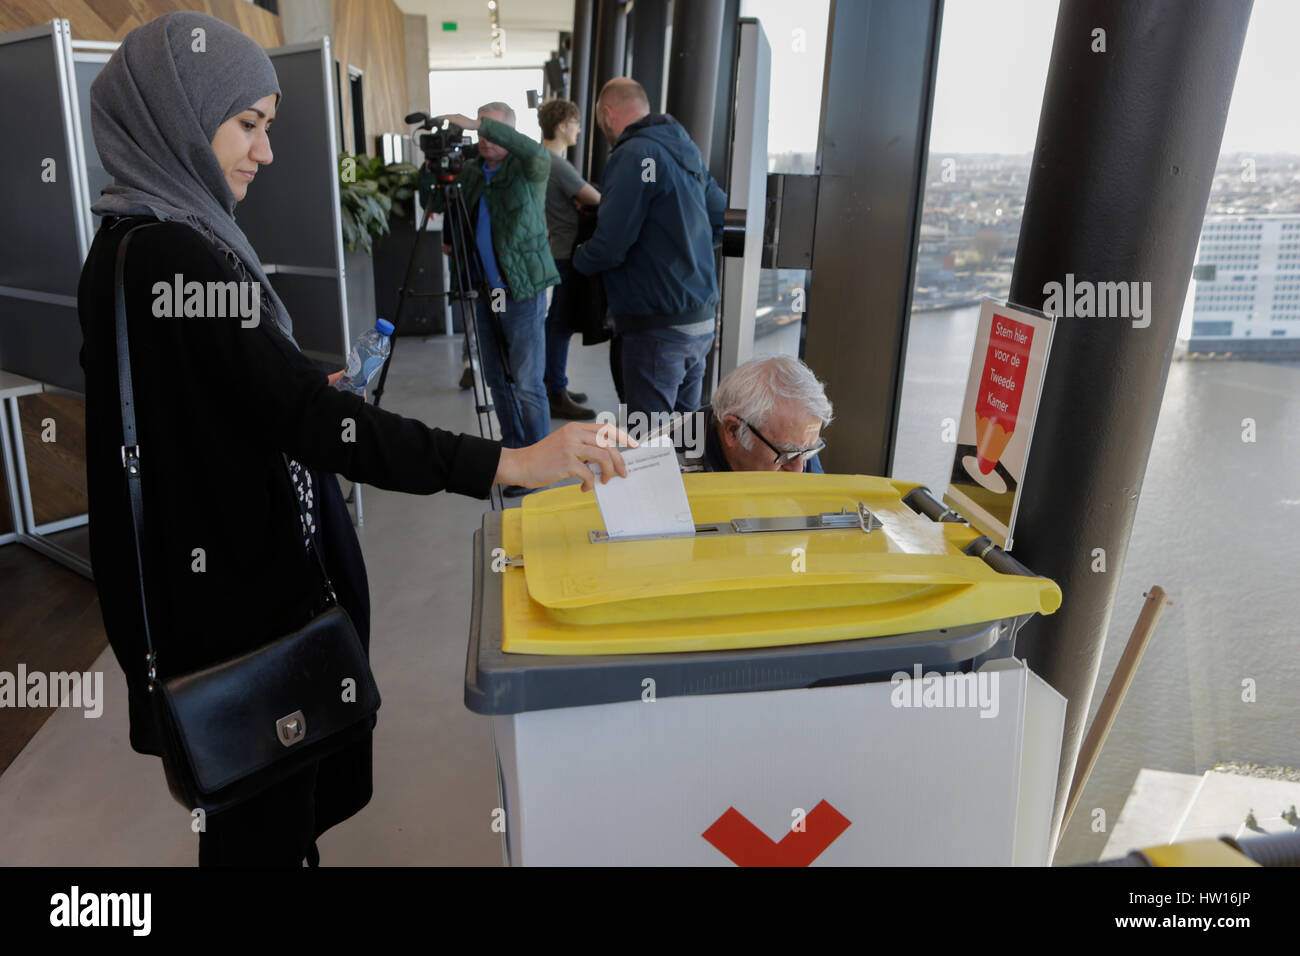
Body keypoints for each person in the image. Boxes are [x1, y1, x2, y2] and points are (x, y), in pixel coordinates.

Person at [77, 12, 630, 867]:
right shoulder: (177, 254)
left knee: (254, 822)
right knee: (264, 828)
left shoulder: (121, 243)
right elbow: (317, 426)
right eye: (248, 126)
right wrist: (511, 459)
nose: (264, 152)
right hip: (238, 608)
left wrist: (281, 391)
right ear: (177, 115)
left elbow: (204, 401)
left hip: (198, 592)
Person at [573, 78, 727, 420]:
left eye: (600, 122)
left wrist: (579, 258)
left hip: (656, 323)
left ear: (608, 113)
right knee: (685, 436)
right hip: (700, 320)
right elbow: (720, 215)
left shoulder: (634, 154)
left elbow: (612, 243)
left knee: (649, 443)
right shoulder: (686, 150)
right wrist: (687, 248)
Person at [431, 104, 557, 461]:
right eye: (481, 133)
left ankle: (541, 459)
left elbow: (533, 149)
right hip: (483, 290)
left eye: (493, 131)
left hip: (520, 290)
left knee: (528, 382)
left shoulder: (530, 168)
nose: (484, 138)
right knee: (497, 380)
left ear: (510, 134)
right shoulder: (472, 171)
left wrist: (474, 123)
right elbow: (453, 206)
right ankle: (515, 449)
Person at [657, 357, 830, 474]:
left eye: (807, 452)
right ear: (733, 431)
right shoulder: (662, 467)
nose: (800, 469)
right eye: (787, 454)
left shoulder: (797, 444)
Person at [538, 98, 600, 420]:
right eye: (575, 123)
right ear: (562, 125)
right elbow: (596, 198)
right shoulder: (557, 163)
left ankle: (555, 384)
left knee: (556, 321)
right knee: (560, 324)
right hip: (563, 252)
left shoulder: (544, 158)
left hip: (553, 248)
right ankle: (555, 392)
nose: (578, 129)